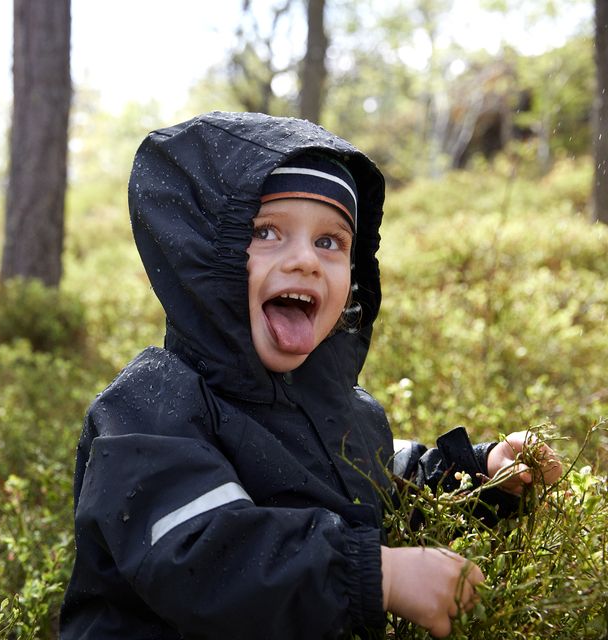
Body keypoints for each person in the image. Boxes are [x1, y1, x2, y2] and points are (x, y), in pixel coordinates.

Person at [59, 112, 561, 639]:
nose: (305, 261)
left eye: (330, 242)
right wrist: (374, 574)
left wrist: (483, 472)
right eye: (266, 231)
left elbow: (384, 487)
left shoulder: (346, 410)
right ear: (205, 257)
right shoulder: (151, 406)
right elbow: (201, 557)